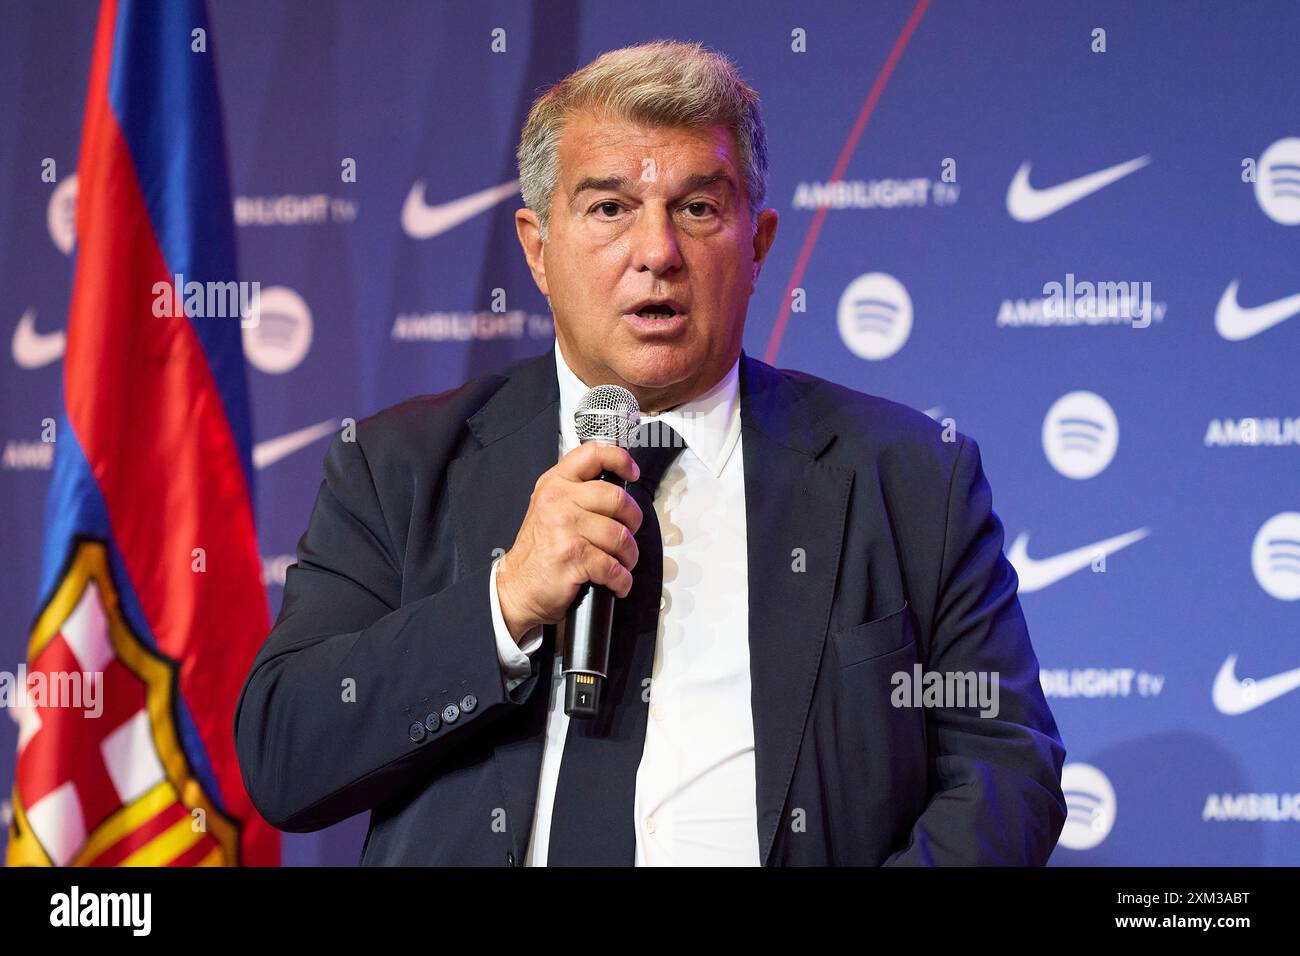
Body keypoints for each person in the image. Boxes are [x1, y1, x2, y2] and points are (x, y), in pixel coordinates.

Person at [233, 38, 1066, 866]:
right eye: (609, 208)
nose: (657, 253)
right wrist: (504, 604)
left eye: (699, 209)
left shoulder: (911, 477)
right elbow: (286, 757)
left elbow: (1006, 770)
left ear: (759, 244)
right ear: (536, 248)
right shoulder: (398, 468)